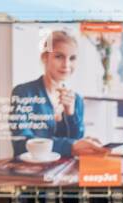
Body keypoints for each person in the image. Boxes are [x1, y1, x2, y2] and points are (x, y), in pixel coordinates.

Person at [9, 29, 110, 159]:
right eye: (59, 56)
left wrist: (71, 114)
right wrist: (71, 145)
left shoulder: (76, 100)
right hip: (29, 172)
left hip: (63, 171)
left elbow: (76, 145)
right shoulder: (23, 93)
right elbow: (21, 144)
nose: (66, 65)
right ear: (45, 57)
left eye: (72, 58)